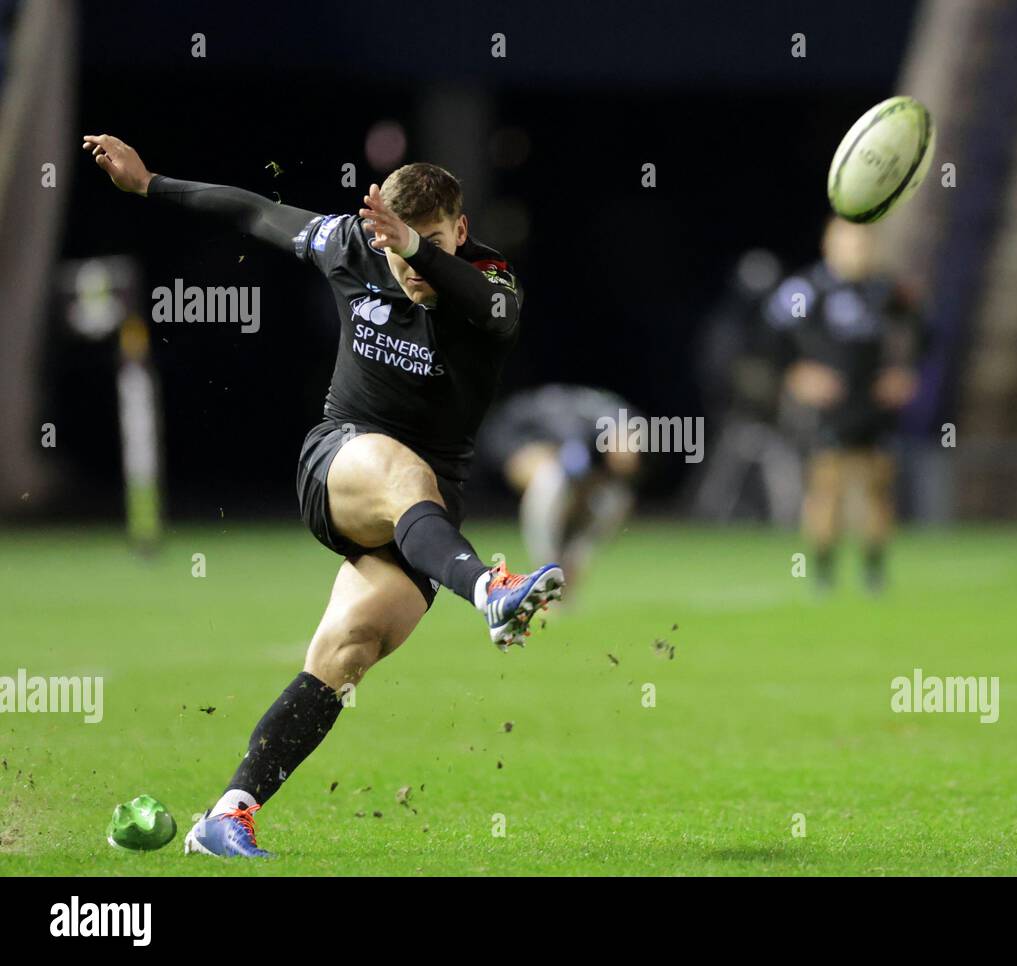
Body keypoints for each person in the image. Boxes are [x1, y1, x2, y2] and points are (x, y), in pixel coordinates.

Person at [83, 133, 565, 856]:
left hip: (424, 516)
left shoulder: (488, 281)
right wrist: (150, 183)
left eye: (430, 242)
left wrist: (419, 250)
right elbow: (254, 212)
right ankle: (491, 588)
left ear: (458, 233)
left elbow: (495, 314)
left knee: (348, 651)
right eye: (397, 246)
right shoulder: (350, 243)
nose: (409, 264)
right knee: (401, 470)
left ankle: (228, 814)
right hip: (340, 463)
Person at [764, 216, 923, 593]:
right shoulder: (807, 290)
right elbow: (768, 336)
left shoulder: (887, 290)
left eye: (863, 243)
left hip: (874, 405)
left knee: (877, 486)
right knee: (827, 487)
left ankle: (874, 571)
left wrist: (904, 372)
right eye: (849, 242)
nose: (858, 250)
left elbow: (923, 331)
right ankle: (822, 573)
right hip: (827, 408)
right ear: (828, 244)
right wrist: (796, 373)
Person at [478, 384, 638, 590]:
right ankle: (547, 567)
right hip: (531, 447)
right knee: (549, 480)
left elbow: (617, 467)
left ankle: (568, 564)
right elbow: (567, 465)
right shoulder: (572, 425)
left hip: (582, 479)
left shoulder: (617, 419)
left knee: (614, 498)